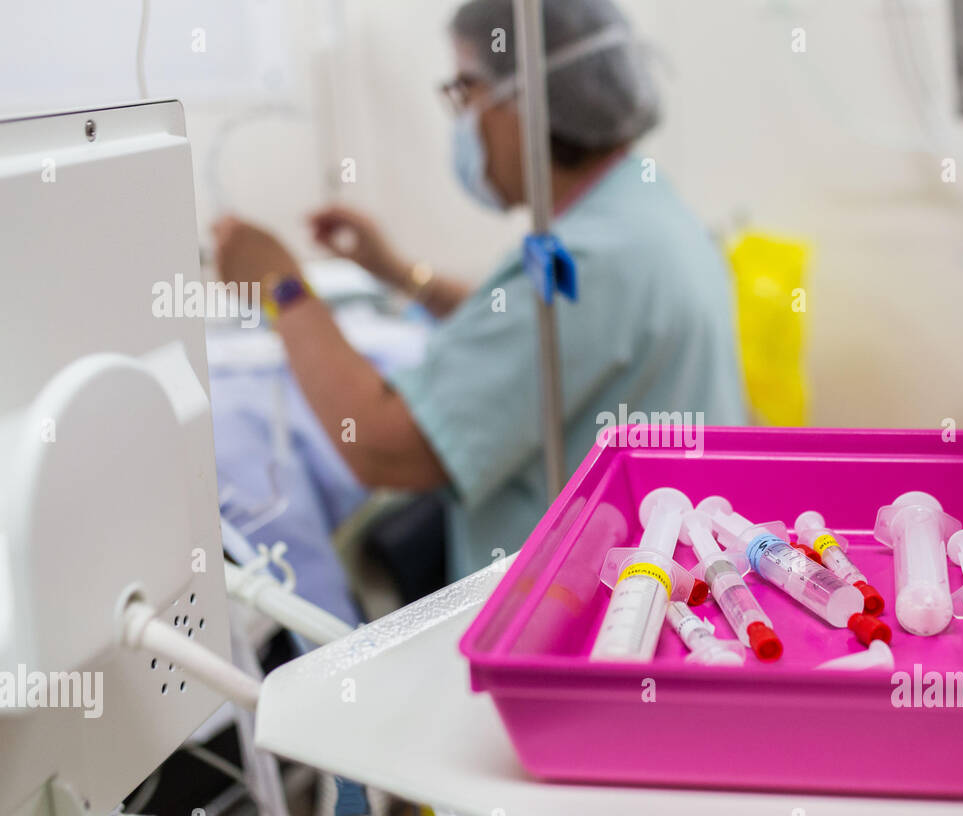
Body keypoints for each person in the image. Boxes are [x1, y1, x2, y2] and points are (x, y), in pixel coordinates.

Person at [213, 0, 745, 580]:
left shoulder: (592, 258)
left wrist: (282, 286)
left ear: (531, 97)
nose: (462, 119)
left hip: (588, 609)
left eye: (466, 90)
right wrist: (398, 272)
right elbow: (546, 335)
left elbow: (382, 447)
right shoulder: (640, 211)